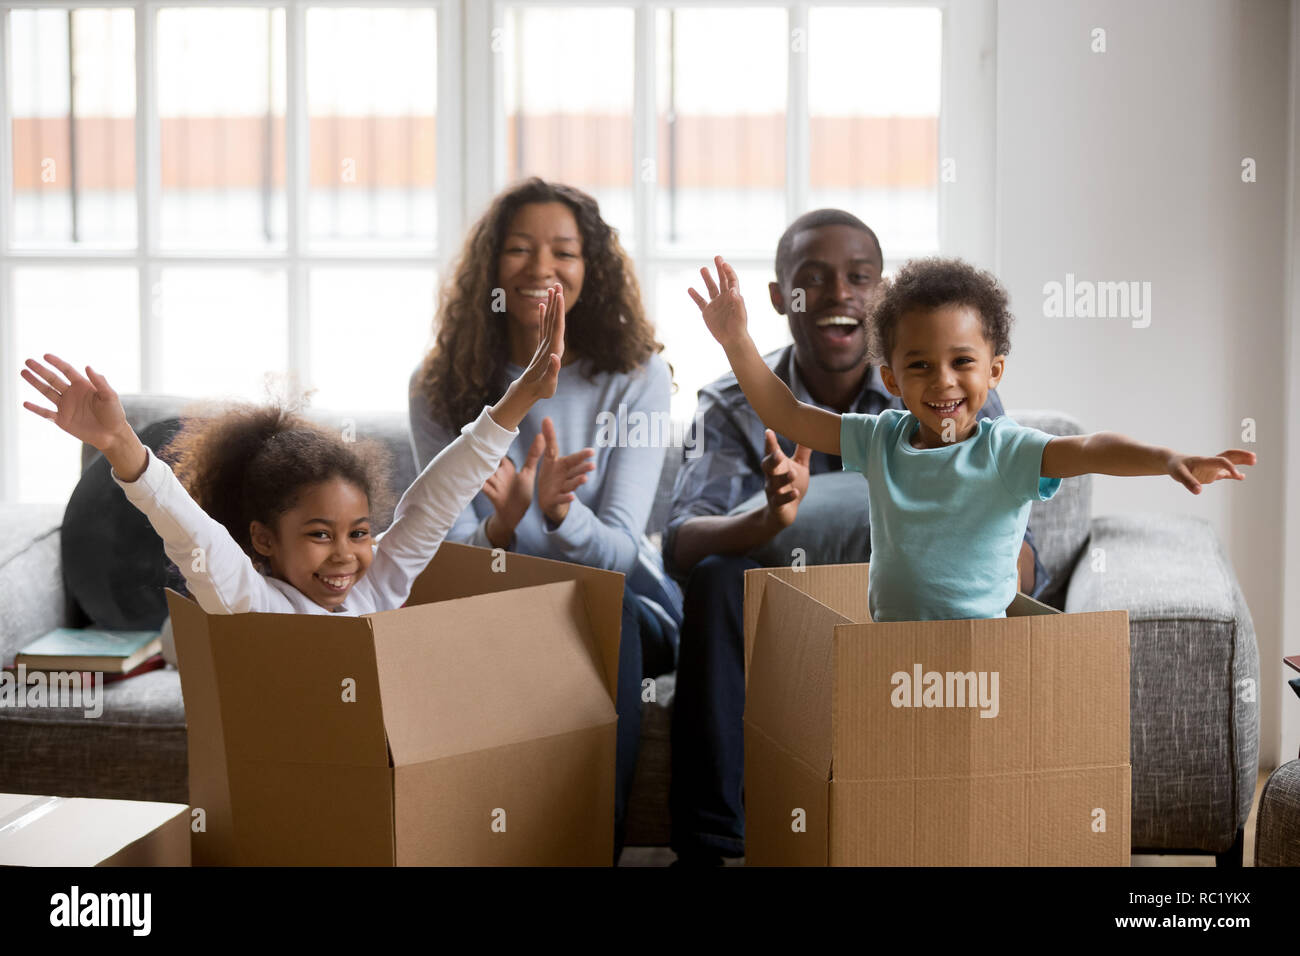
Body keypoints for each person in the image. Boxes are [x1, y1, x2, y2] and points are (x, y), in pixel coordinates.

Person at [664, 210, 1047, 864]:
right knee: (715, 579)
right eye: (812, 280)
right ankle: (711, 844)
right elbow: (680, 546)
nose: (838, 293)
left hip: (905, 605)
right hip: (783, 612)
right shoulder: (733, 404)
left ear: (880, 294)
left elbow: (1021, 556)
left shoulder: (950, 385)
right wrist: (769, 518)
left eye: (858, 278)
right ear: (780, 299)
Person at [691, 253, 1253, 622]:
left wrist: (1168, 458)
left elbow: (1090, 449)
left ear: (995, 372)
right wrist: (736, 339)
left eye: (963, 361)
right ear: (891, 380)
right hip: (894, 650)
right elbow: (786, 412)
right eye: (919, 366)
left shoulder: (1004, 450)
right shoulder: (881, 439)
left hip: (985, 653)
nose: (943, 381)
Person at [408, 177, 681, 860]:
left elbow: (619, 555)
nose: (541, 269)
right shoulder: (440, 386)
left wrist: (563, 518)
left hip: (625, 607)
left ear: (592, 269)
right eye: (520, 250)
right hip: (492, 605)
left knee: (598, 617)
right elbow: (440, 559)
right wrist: (501, 530)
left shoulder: (636, 374)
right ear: (489, 269)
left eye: (564, 251)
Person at [16, 289, 564, 615]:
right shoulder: (254, 604)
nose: (345, 554)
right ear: (263, 539)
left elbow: (432, 506)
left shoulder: (376, 588)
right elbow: (192, 534)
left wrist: (519, 399)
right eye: (320, 534)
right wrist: (121, 446)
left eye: (359, 531)